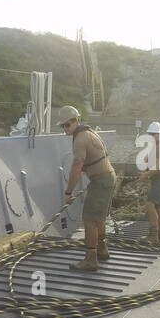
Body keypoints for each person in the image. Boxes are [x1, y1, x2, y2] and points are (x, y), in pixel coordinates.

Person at [59, 105, 116, 271]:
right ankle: (102, 249)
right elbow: (93, 159)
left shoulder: (80, 139)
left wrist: (68, 192)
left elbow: (76, 167)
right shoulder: (90, 132)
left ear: (76, 121)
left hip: (101, 181)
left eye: (67, 125)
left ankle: (91, 259)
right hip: (106, 179)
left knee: (89, 219)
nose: (64, 129)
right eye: (62, 126)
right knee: (98, 218)